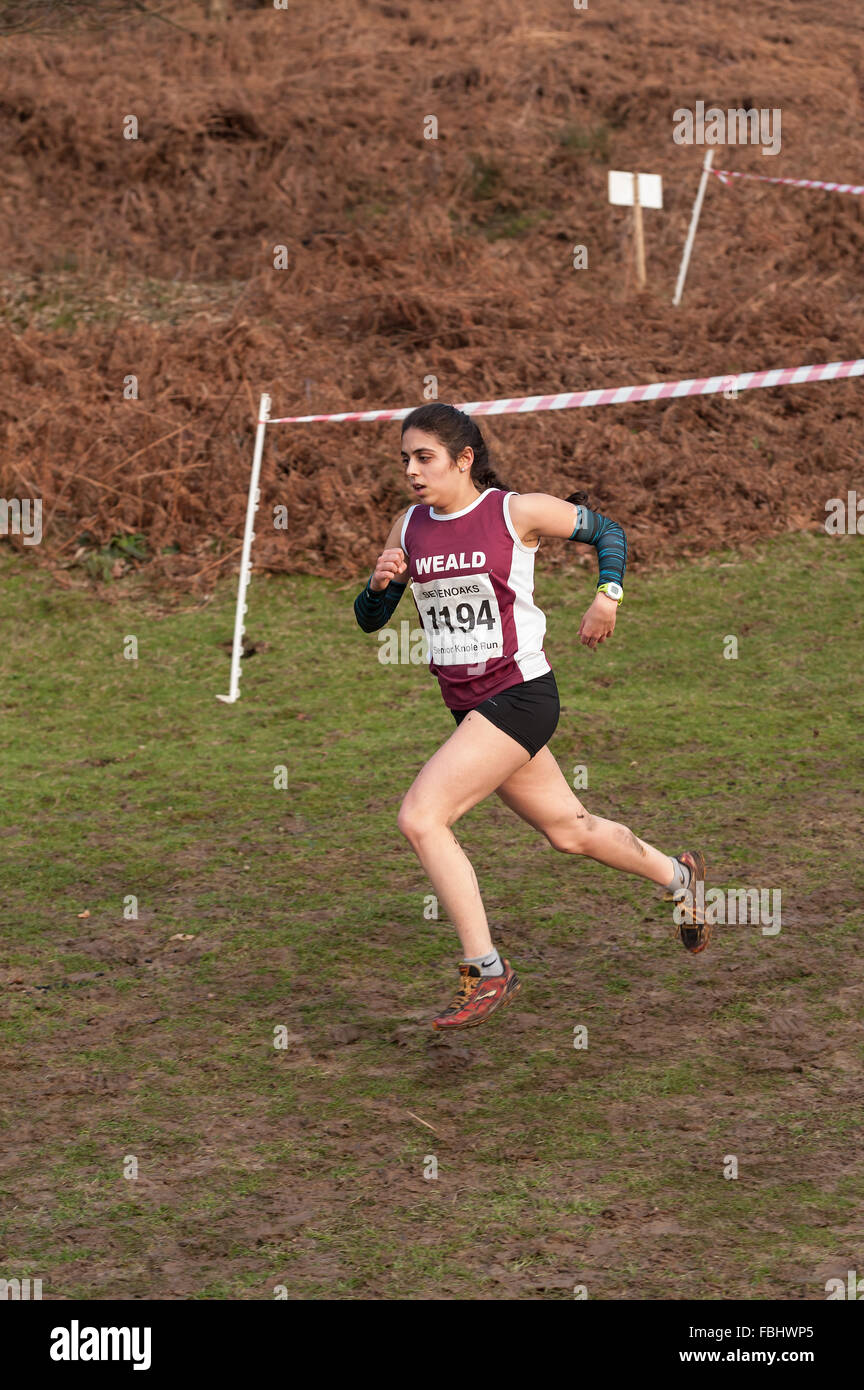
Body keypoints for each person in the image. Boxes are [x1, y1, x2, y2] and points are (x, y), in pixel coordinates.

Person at [354, 403, 708, 1032]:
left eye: (423, 457)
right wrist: (379, 587)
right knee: (570, 830)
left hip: (521, 696)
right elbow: (369, 619)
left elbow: (610, 534)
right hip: (470, 709)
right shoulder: (407, 526)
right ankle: (680, 878)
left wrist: (608, 597)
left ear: (464, 459)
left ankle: (486, 969)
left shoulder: (514, 512)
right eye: (405, 459)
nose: (410, 470)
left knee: (421, 817)